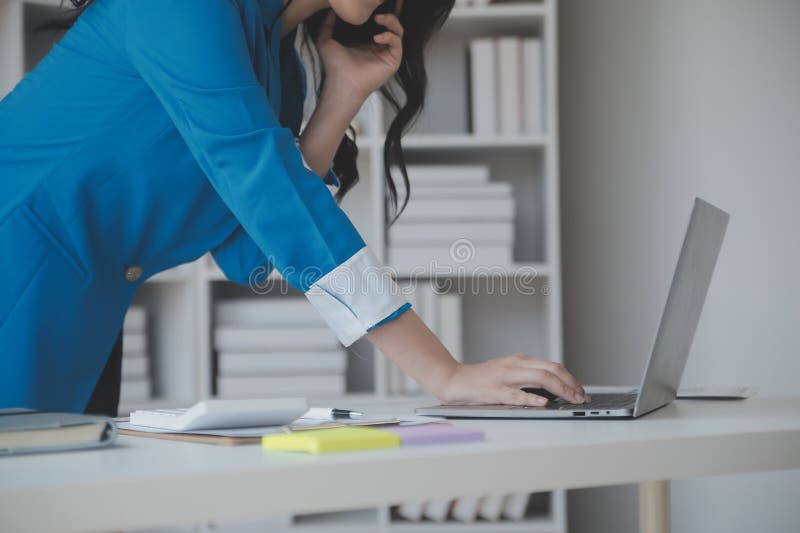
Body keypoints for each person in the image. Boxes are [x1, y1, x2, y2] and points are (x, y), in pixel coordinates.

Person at [0, 0, 588, 416]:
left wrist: (341, 97)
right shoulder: (184, 7)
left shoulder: (275, 66)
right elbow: (271, 191)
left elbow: (248, 256)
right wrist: (444, 373)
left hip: (78, 311)